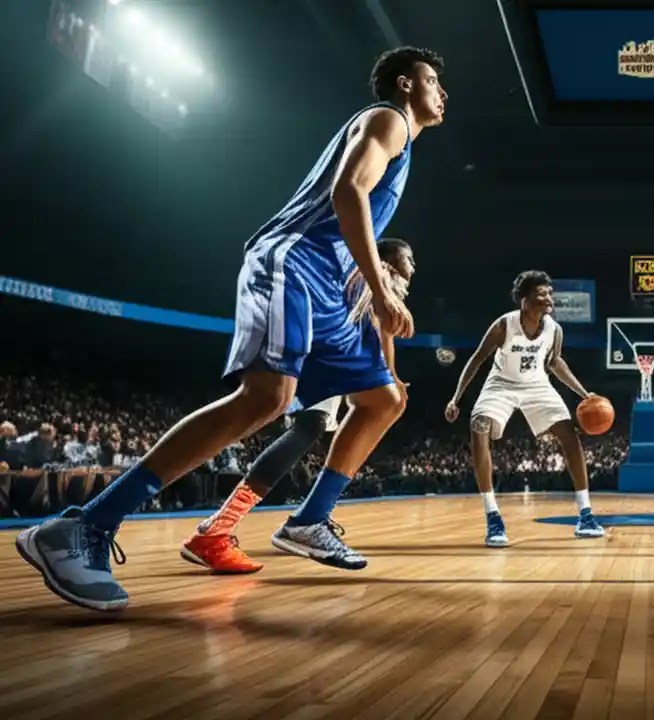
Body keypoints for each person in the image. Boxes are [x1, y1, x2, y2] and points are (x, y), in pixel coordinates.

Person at [16, 47, 446, 611]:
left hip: (326, 284)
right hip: (293, 261)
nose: (443, 91)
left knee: (383, 397)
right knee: (267, 398)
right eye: (433, 79)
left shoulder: (403, 146)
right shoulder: (387, 119)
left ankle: (309, 521)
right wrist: (383, 287)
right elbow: (348, 193)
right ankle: (84, 526)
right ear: (404, 83)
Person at [180, 239, 416, 574]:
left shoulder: (379, 283)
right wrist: (388, 378)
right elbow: (380, 326)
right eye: (409, 258)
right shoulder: (375, 271)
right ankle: (247, 524)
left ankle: (226, 526)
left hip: (330, 350)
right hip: (321, 349)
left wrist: (392, 377)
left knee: (311, 427)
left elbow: (383, 335)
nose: (414, 265)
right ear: (389, 259)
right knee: (308, 427)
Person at [445, 271, 606, 547]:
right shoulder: (504, 326)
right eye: (541, 294)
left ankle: (586, 514)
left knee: (569, 432)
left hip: (537, 385)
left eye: (549, 293)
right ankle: (493, 517)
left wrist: (584, 394)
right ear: (524, 299)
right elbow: (476, 360)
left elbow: (555, 362)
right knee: (478, 426)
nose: (548, 298)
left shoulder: (554, 329)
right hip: (501, 384)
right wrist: (456, 398)